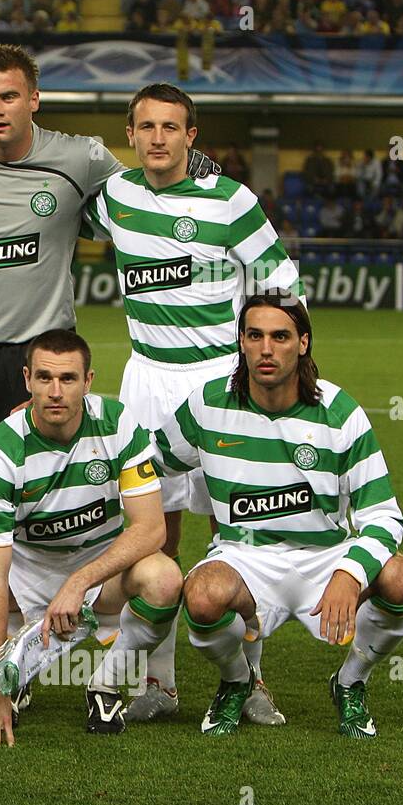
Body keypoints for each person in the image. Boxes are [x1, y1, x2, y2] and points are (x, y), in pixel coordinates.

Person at [0, 45, 221, 704]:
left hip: (41, 359)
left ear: (33, 99)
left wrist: (199, 167)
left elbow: (141, 179)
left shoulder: (79, 156)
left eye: (9, 97)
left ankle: (40, 645)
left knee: (49, 505)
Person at [81, 82, 300, 724]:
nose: (157, 138)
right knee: (154, 535)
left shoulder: (231, 200)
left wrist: (278, 376)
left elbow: (281, 283)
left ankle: (250, 681)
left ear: (190, 136)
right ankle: (159, 684)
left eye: (170, 128)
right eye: (145, 127)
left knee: (238, 533)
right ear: (131, 134)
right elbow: (62, 207)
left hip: (220, 382)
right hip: (146, 382)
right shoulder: (116, 198)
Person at [154, 294, 403, 738]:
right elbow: (148, 456)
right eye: (254, 336)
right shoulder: (209, 404)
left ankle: (350, 683)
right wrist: (64, 424)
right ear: (240, 341)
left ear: (303, 343)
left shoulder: (340, 412)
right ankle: (237, 681)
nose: (266, 349)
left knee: (402, 578)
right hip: (246, 557)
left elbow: (385, 516)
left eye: (280, 336)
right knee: (201, 596)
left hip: (326, 556)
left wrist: (350, 573)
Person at [0, 329, 183, 743]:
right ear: (27, 379)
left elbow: (151, 528)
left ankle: (106, 685)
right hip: (25, 569)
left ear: (89, 381)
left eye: (67, 379)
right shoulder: (1, 449)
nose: (55, 391)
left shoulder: (118, 424)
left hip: (98, 570)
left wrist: (80, 581)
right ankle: (15, 674)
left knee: (164, 578)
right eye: (44, 378)